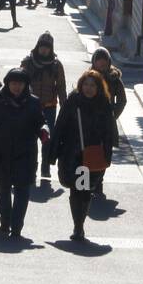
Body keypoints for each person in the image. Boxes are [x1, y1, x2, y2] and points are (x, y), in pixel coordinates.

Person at [49, 70, 119, 242]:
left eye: (92, 85)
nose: (88, 88)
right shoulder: (73, 101)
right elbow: (60, 126)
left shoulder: (103, 104)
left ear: (98, 87)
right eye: (86, 85)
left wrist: (107, 154)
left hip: (93, 154)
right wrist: (53, 152)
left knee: (85, 190)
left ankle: (79, 224)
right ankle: (78, 226)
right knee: (77, 189)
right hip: (74, 154)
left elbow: (109, 132)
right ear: (81, 85)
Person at [0, 68, 47, 239]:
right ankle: (5, 223)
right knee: (2, 190)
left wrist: (43, 130)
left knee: (22, 191)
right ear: (7, 84)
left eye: (20, 83)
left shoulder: (33, 103)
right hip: (1, 152)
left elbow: (41, 122)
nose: (16, 87)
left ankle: (17, 226)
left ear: (26, 85)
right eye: (13, 83)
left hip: (25, 153)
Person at [21, 32, 67, 179]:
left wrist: (65, 108)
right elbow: (18, 82)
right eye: (42, 46)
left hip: (49, 107)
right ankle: (30, 167)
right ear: (37, 46)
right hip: (30, 106)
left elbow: (61, 87)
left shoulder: (56, 65)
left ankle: (45, 167)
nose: (44, 50)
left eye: (47, 47)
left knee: (47, 139)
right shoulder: (28, 62)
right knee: (29, 139)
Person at [88, 47, 126, 198]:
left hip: (106, 123)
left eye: (104, 62)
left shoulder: (114, 78)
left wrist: (112, 115)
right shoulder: (88, 77)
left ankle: (98, 181)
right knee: (88, 152)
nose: (101, 65)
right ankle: (86, 185)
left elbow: (122, 100)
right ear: (94, 62)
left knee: (105, 154)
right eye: (99, 62)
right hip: (89, 122)